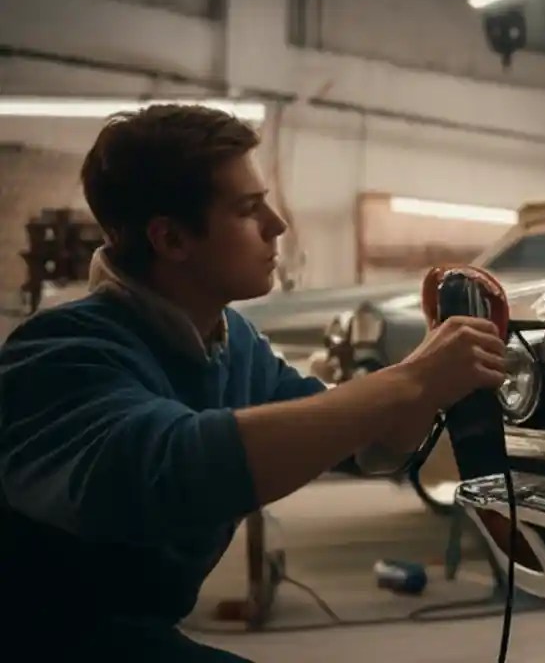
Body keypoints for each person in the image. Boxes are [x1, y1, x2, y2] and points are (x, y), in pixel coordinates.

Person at [0, 105, 507, 660]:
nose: (278, 224)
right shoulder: (58, 354)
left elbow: (369, 452)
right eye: (248, 209)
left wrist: (428, 387)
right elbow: (177, 468)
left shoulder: (231, 342)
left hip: (125, 633)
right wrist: (409, 379)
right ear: (171, 239)